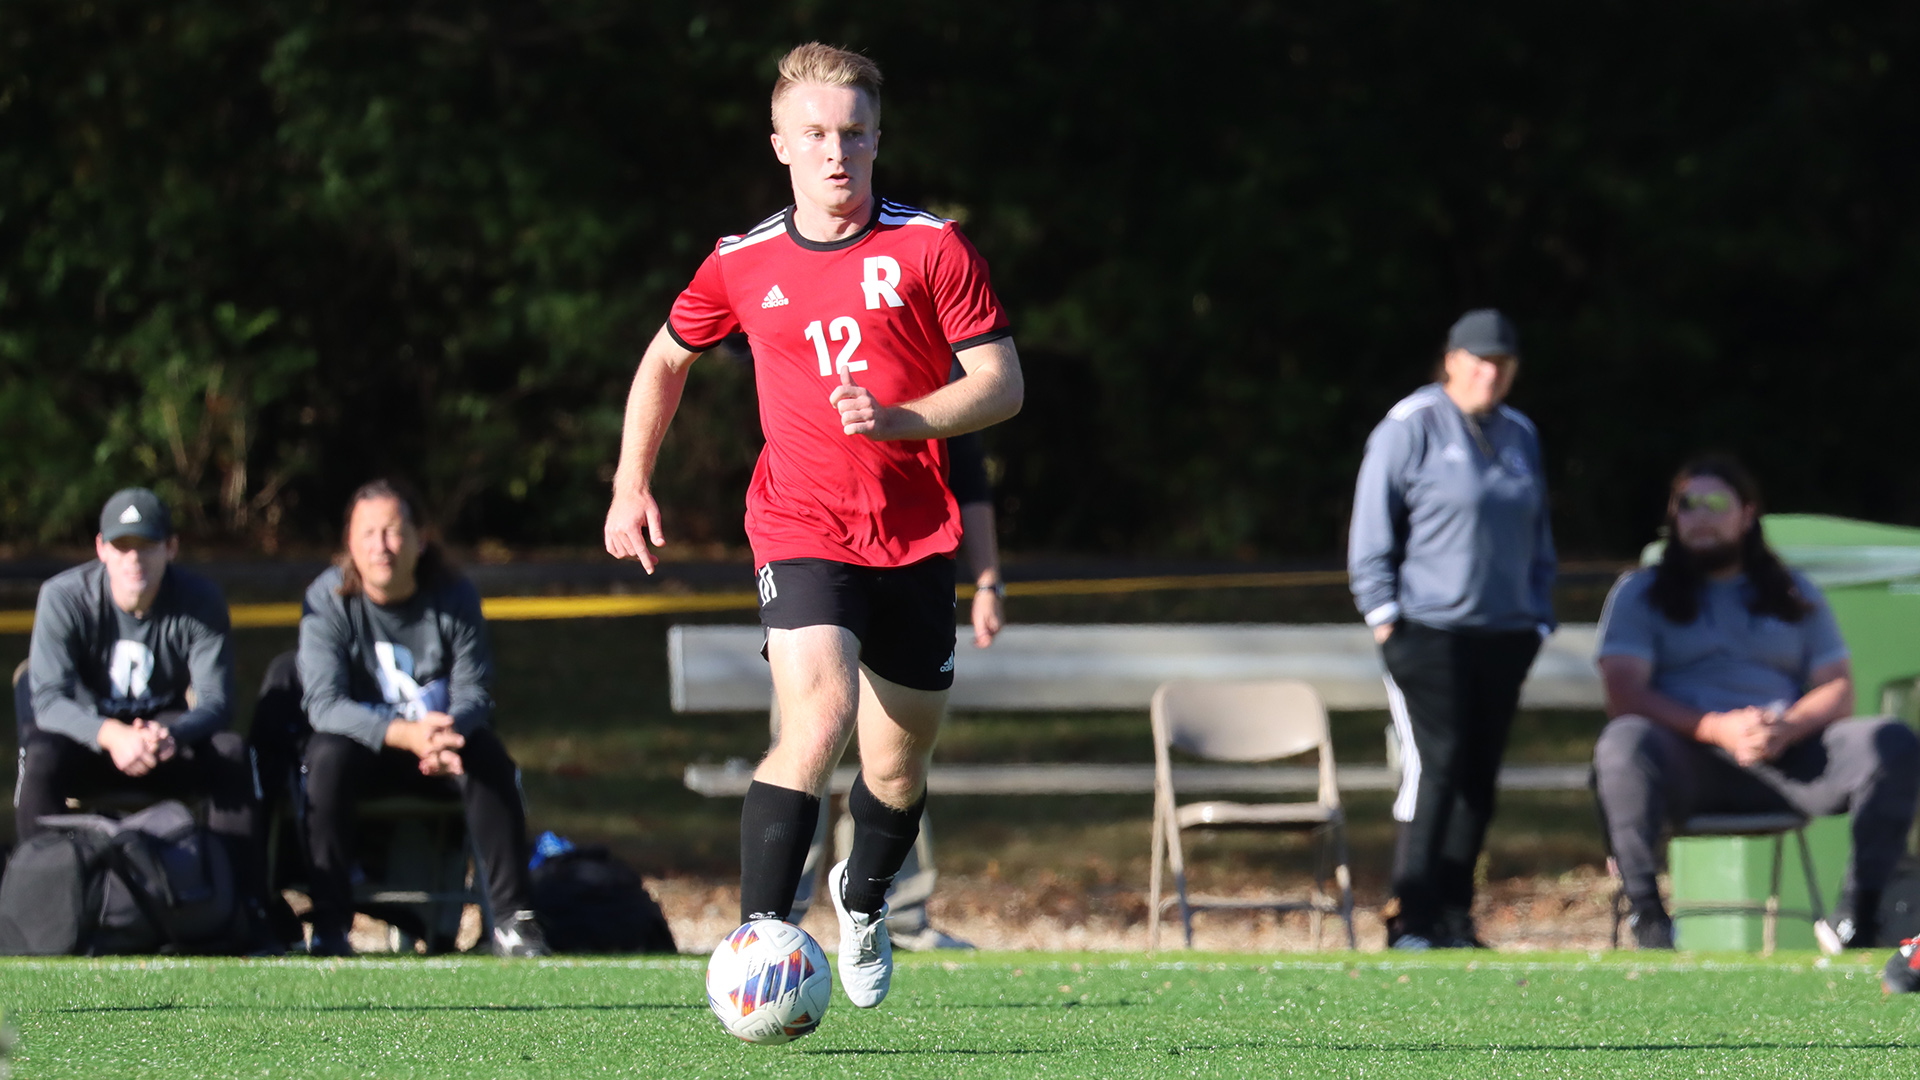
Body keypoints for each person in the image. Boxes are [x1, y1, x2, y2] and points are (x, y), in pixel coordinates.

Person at [603, 43, 1022, 1008]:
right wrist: (631, 484)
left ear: (878, 142)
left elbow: (1003, 384)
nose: (839, 154)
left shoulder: (932, 248)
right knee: (818, 715)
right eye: (818, 136)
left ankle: (864, 897)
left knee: (898, 763)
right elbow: (665, 361)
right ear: (782, 146)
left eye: (856, 135)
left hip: (915, 535)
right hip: (798, 521)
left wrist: (909, 417)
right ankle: (760, 941)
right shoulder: (741, 263)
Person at [1593, 455, 1920, 951]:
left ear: (1747, 514)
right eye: (1687, 505)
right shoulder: (1640, 593)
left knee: (1891, 742)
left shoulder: (1792, 591)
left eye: (1715, 503)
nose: (1700, 516)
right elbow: (1625, 694)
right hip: (1686, 761)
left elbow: (1838, 688)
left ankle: (1857, 917)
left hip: (1788, 760)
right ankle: (1649, 919)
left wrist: (1788, 726)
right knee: (1622, 742)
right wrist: (1714, 728)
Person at [1347, 309, 1556, 950]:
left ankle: (1454, 916)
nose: (1489, 373)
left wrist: (1538, 617)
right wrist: (1386, 621)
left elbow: (1538, 533)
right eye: (1478, 360)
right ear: (1452, 361)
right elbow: (1371, 535)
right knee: (1437, 766)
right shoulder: (1410, 426)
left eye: (1502, 363)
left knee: (1478, 773)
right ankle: (1410, 912)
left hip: (1504, 632)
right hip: (1427, 630)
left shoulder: (1520, 433)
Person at [294, 479, 549, 958]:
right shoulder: (327, 599)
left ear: (420, 538)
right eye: (367, 533)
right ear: (349, 542)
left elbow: (475, 689)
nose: (380, 547)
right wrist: (406, 734)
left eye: (392, 531)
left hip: (441, 746)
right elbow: (324, 704)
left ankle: (514, 922)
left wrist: (448, 733)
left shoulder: (452, 594)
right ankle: (330, 925)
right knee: (323, 758)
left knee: (490, 759)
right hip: (367, 751)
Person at [16, 488, 273, 943]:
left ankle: (237, 917)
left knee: (232, 753)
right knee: (39, 756)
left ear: (170, 548)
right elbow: (49, 699)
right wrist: (110, 734)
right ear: (101, 549)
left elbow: (216, 701)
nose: (134, 559)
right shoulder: (63, 597)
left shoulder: (199, 600)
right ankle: (40, 915)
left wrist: (173, 734)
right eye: (122, 546)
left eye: (148, 546)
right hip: (93, 747)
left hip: (167, 746)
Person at [788, 427, 1004, 951]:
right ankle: (776, 918)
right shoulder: (808, 356)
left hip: (906, 573)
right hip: (820, 571)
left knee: (897, 759)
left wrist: (988, 581)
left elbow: (968, 477)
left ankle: (894, 910)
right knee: (806, 748)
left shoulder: (938, 363)